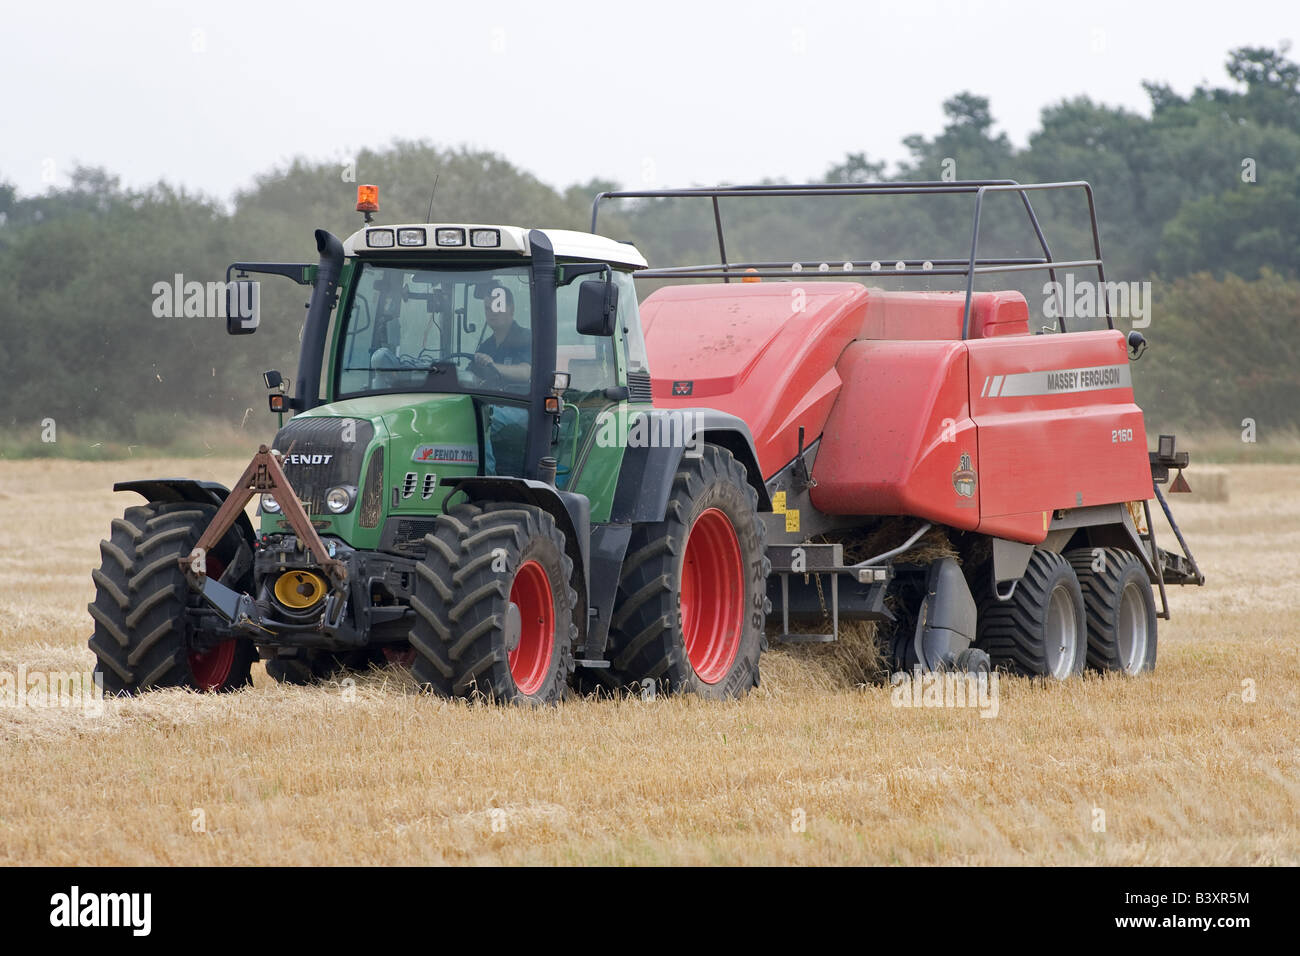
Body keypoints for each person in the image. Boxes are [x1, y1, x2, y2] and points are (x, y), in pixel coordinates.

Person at [472, 285, 530, 391]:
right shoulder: (486, 346)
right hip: (489, 403)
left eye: (498, 306)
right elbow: (471, 375)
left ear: (511, 309)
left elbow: (525, 372)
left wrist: (491, 365)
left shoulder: (527, 338)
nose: (492, 312)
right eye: (488, 308)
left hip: (517, 403)